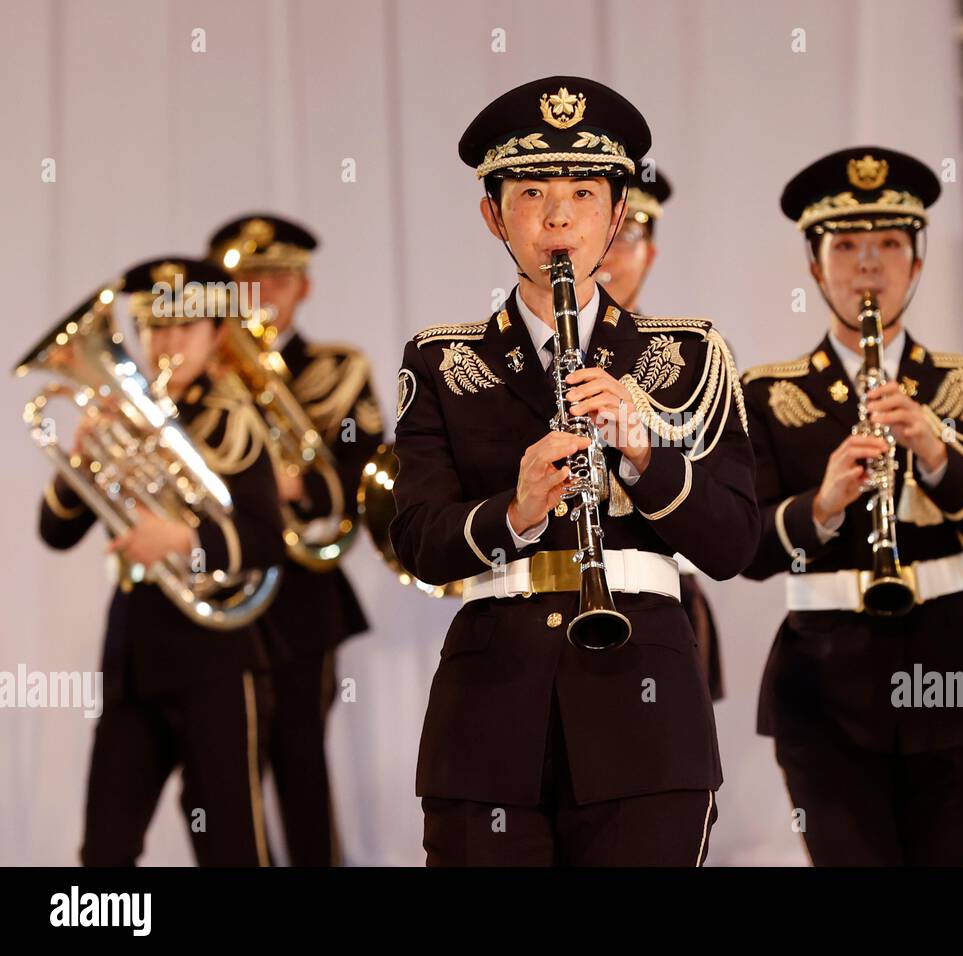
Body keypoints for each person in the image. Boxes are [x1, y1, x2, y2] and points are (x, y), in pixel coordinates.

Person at [389, 75, 758, 866]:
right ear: (493, 215)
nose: (558, 218)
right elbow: (416, 541)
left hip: (647, 715)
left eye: (584, 194)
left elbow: (734, 544)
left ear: (617, 215)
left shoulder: (691, 352)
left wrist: (645, 456)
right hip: (489, 716)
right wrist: (514, 512)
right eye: (531, 194)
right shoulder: (441, 359)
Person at [741, 147, 963, 865]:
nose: (868, 266)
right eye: (845, 246)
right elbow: (746, 552)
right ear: (816, 268)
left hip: (950, 663)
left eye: (889, 245)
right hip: (820, 677)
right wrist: (822, 505)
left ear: (918, 262)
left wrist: (936, 454)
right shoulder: (768, 395)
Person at [33, 257, 285, 866]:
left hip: (217, 661)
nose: (167, 343)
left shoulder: (233, 422)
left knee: (231, 848)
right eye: (154, 328)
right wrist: (80, 460)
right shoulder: (123, 420)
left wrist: (181, 540)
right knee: (104, 851)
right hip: (134, 656)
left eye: (184, 328)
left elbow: (266, 540)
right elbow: (55, 533)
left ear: (216, 334)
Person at [207, 214, 384, 866]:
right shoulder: (201, 374)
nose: (258, 295)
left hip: (301, 594)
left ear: (303, 288)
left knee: (300, 759)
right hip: (219, 584)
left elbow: (365, 472)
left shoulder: (337, 369)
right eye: (243, 282)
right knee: (220, 770)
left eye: (275, 280)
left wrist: (298, 486)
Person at [595, 171, 725, 700]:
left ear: (650, 253)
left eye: (627, 235)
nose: (610, 253)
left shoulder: (693, 359)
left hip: (663, 602)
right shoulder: (517, 357)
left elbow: (725, 512)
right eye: (601, 230)